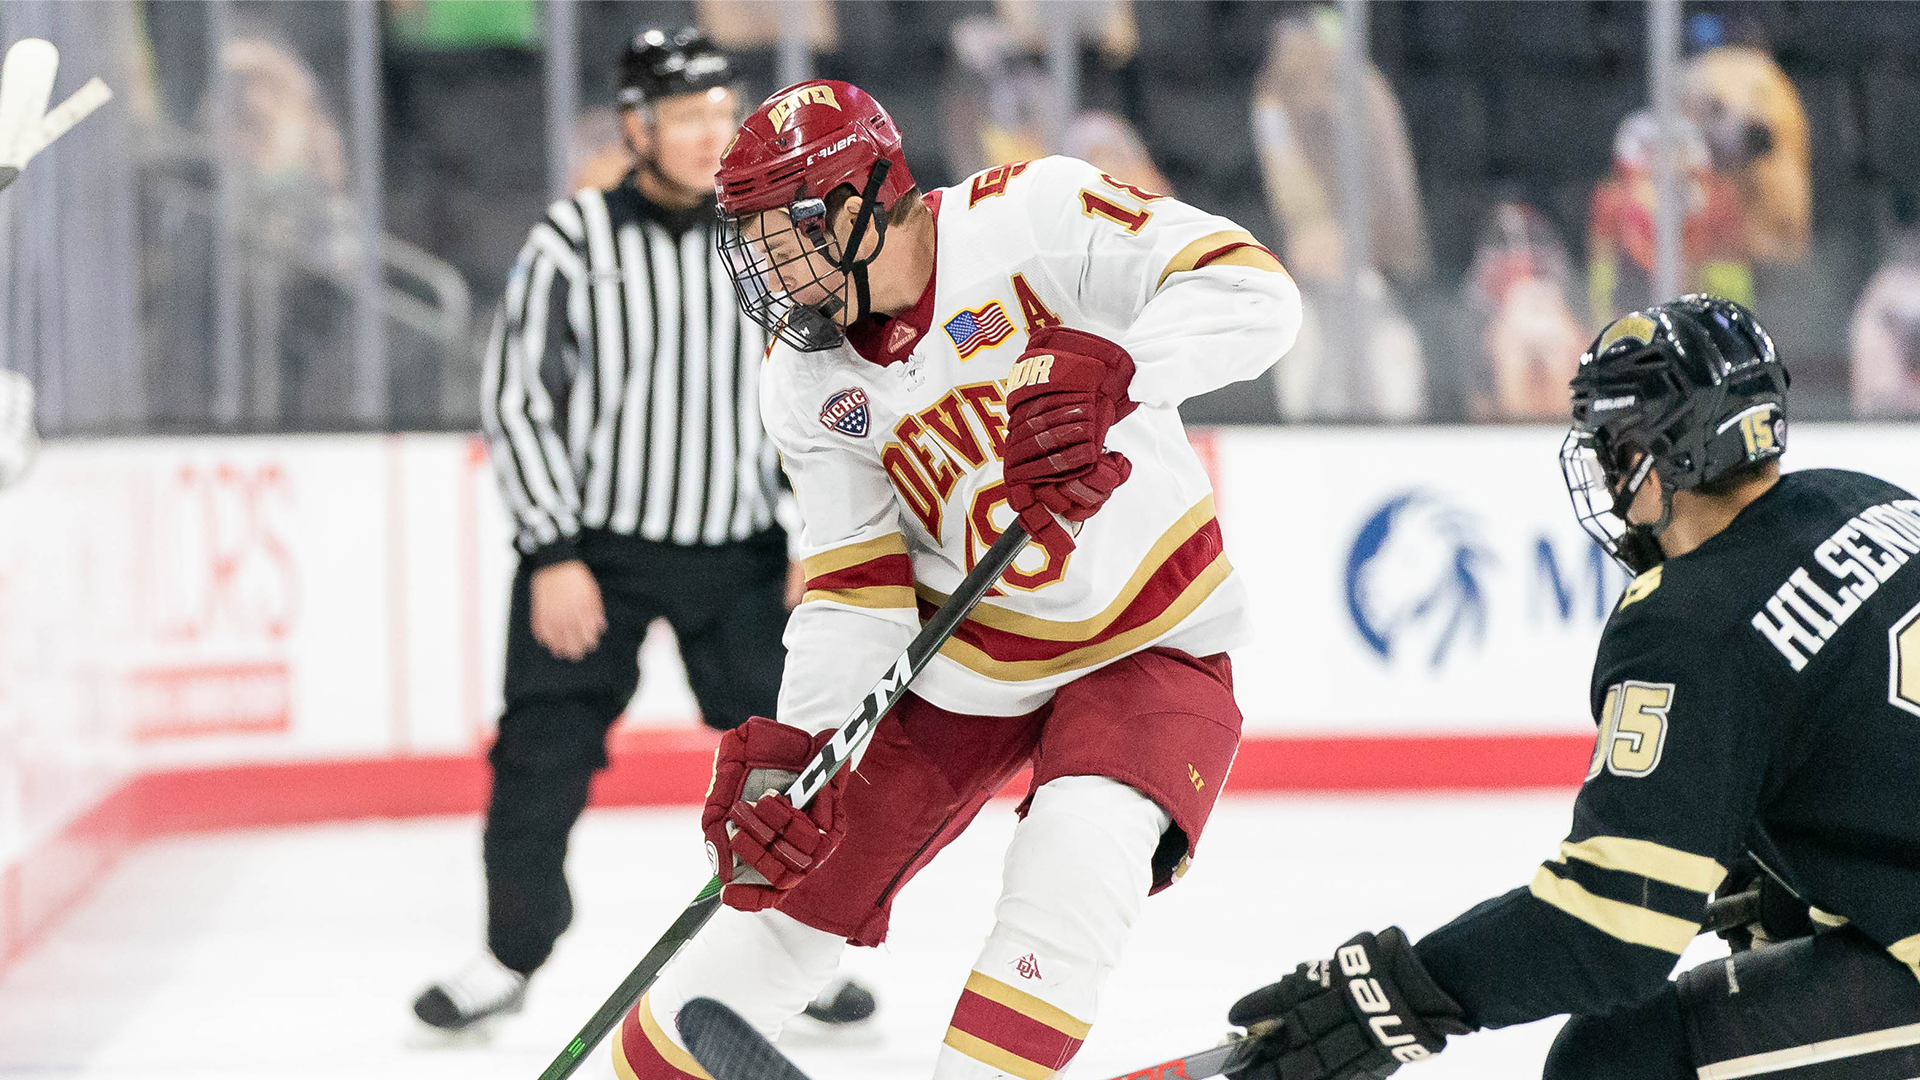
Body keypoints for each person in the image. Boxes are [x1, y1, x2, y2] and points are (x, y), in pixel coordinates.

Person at [608, 79, 1300, 1080]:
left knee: (1072, 872)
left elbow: (1256, 293)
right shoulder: (804, 375)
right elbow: (856, 586)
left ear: (860, 202)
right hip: (964, 661)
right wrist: (804, 752)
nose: (768, 270)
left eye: (785, 237)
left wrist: (1121, 366)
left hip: (1151, 641)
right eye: (754, 244)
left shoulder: (1035, 216)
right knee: (766, 919)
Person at [1223, 296, 1920, 1080]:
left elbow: (1611, 930)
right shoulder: (1862, 498)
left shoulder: (1687, 623)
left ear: (1670, 450)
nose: (1607, 469)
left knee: (1618, 1061)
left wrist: (1399, 994)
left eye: (1614, 445)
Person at [414, 30, 870, 1033]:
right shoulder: (571, 240)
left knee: (792, 756)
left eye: (724, 113)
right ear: (635, 128)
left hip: (745, 552)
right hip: (598, 553)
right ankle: (510, 950)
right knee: (540, 752)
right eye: (688, 117)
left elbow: (832, 390)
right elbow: (520, 402)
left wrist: (824, 534)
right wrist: (551, 551)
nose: (713, 134)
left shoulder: (773, 234)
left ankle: (807, 946)